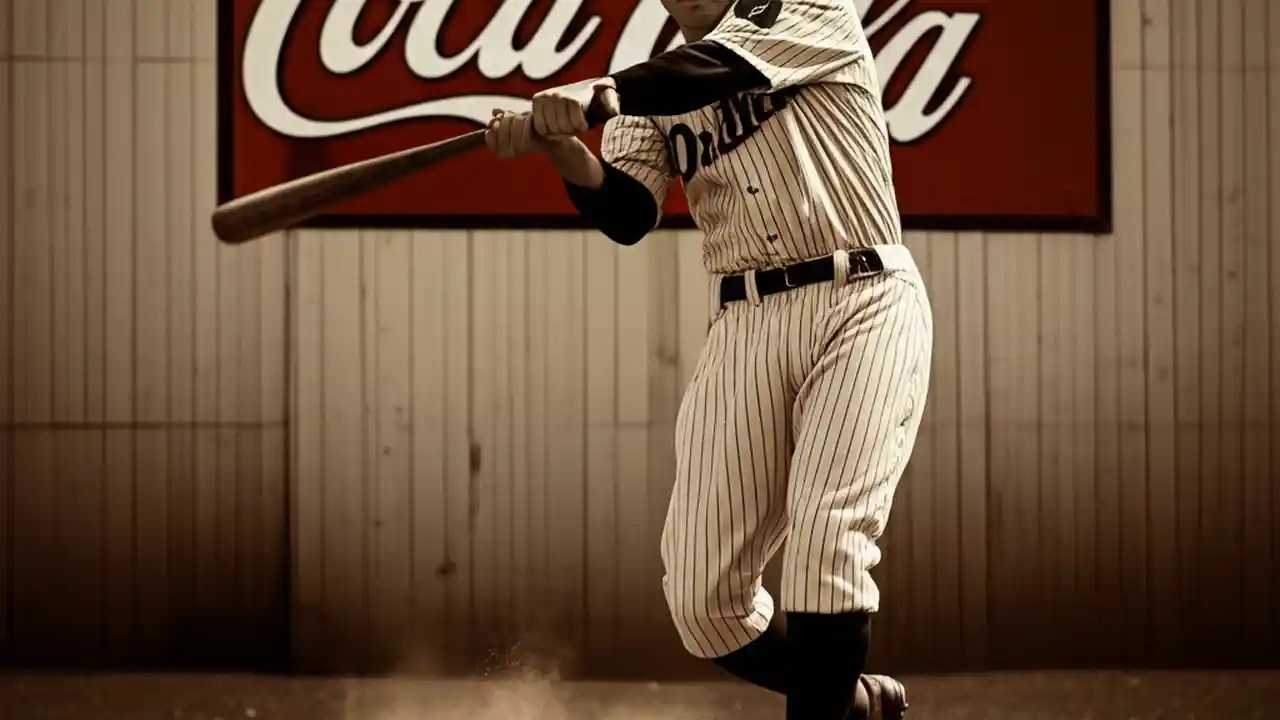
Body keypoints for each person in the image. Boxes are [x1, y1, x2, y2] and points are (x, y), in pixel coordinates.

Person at [484, 1, 932, 717]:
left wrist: (598, 94)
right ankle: (843, 698)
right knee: (702, 602)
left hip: (863, 297)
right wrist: (562, 148)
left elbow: (714, 67)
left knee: (827, 547)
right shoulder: (648, 88)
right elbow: (630, 213)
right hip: (745, 317)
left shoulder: (803, 6)